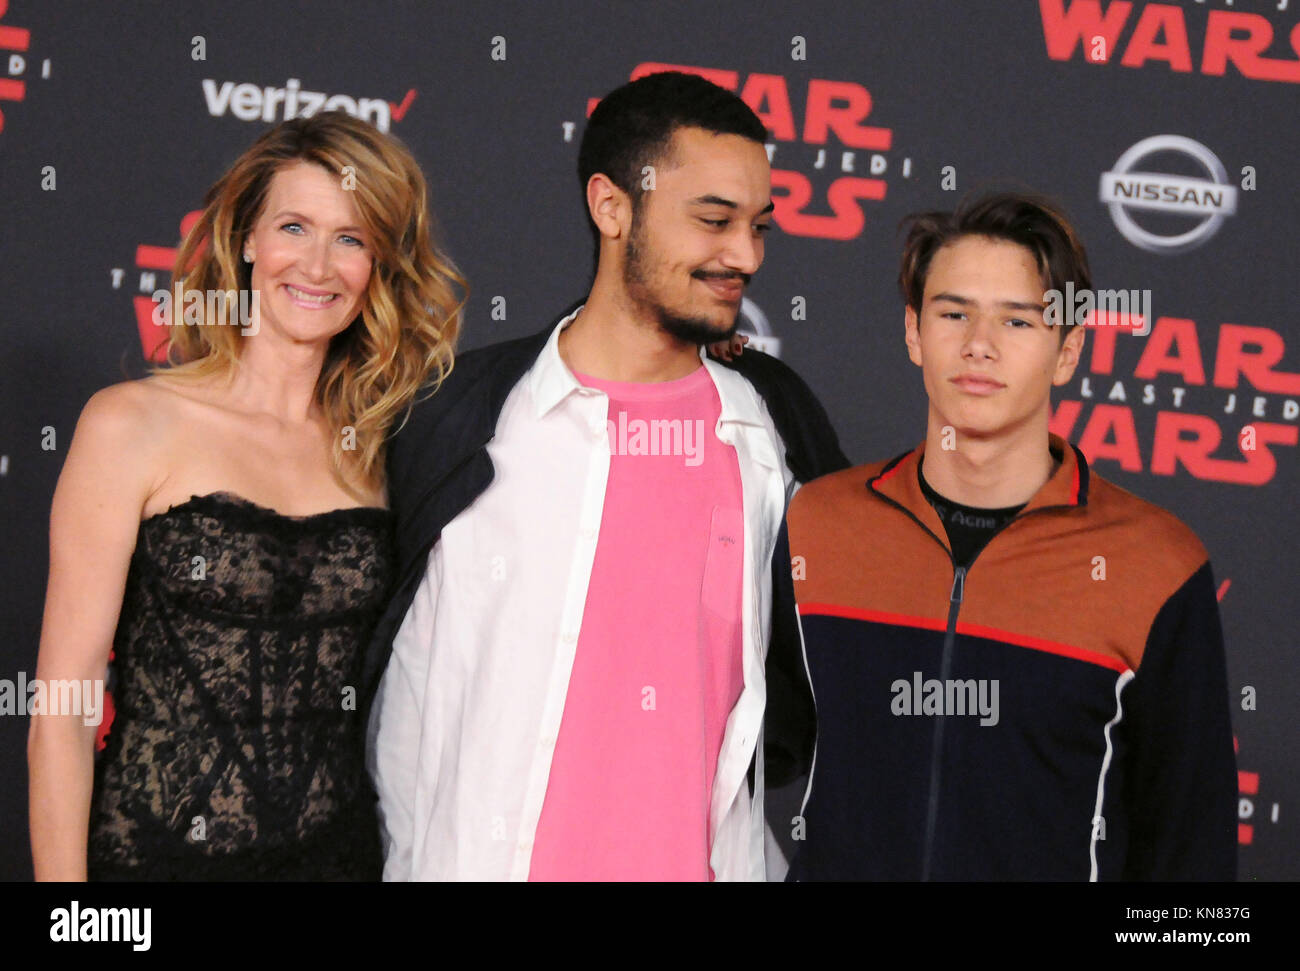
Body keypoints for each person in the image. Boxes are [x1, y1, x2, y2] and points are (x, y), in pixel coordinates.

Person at [365, 70, 847, 881]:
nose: (746, 255)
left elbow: (833, 677)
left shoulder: (775, 427)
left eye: (759, 226)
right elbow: (386, 689)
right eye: (714, 221)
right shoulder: (461, 416)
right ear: (611, 206)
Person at [27, 111, 465, 881]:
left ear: (379, 266)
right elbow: (61, 711)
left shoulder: (384, 444)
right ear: (246, 242)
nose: (319, 265)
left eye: (352, 238)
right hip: (154, 866)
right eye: (294, 226)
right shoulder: (133, 423)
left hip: (340, 862)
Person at [782, 191, 1237, 880]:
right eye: (953, 312)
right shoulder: (819, 523)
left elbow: (1191, 849)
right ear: (913, 332)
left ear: (1068, 350)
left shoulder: (1156, 563)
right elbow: (733, 748)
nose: (978, 345)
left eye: (1017, 320)